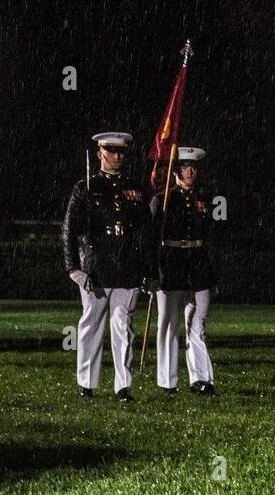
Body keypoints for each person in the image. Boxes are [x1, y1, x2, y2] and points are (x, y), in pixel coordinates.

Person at [62, 132, 153, 401]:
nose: (117, 156)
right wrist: (73, 268)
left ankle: (123, 386)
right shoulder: (86, 187)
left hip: (127, 265)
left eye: (121, 152)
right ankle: (86, 382)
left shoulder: (134, 189)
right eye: (111, 151)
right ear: (100, 153)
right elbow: (69, 229)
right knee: (91, 324)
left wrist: (148, 269)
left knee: (123, 326)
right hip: (97, 266)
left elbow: (145, 231)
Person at [150, 146, 217, 395]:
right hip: (171, 264)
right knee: (168, 323)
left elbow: (211, 237)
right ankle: (168, 381)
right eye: (185, 167)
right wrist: (151, 271)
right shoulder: (163, 199)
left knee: (197, 323)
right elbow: (151, 237)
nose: (190, 172)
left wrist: (212, 273)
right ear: (175, 171)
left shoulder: (205, 199)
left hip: (198, 266)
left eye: (193, 167)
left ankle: (201, 379)